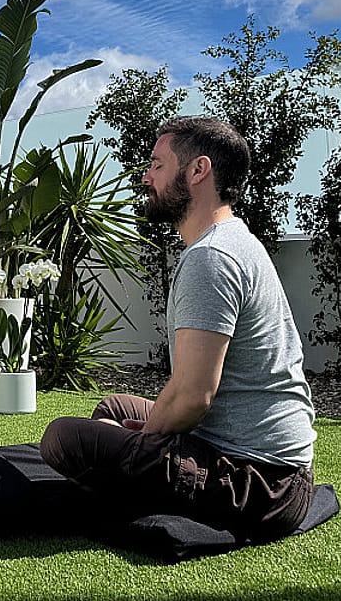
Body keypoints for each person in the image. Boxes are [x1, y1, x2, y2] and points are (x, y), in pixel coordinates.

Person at [40, 116, 316, 541]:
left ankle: (131, 485)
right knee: (115, 409)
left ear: (197, 170)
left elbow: (193, 397)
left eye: (156, 165)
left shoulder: (212, 257)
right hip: (257, 462)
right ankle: (134, 473)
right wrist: (139, 435)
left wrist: (145, 441)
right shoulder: (230, 240)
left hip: (260, 482)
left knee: (62, 438)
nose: (146, 177)